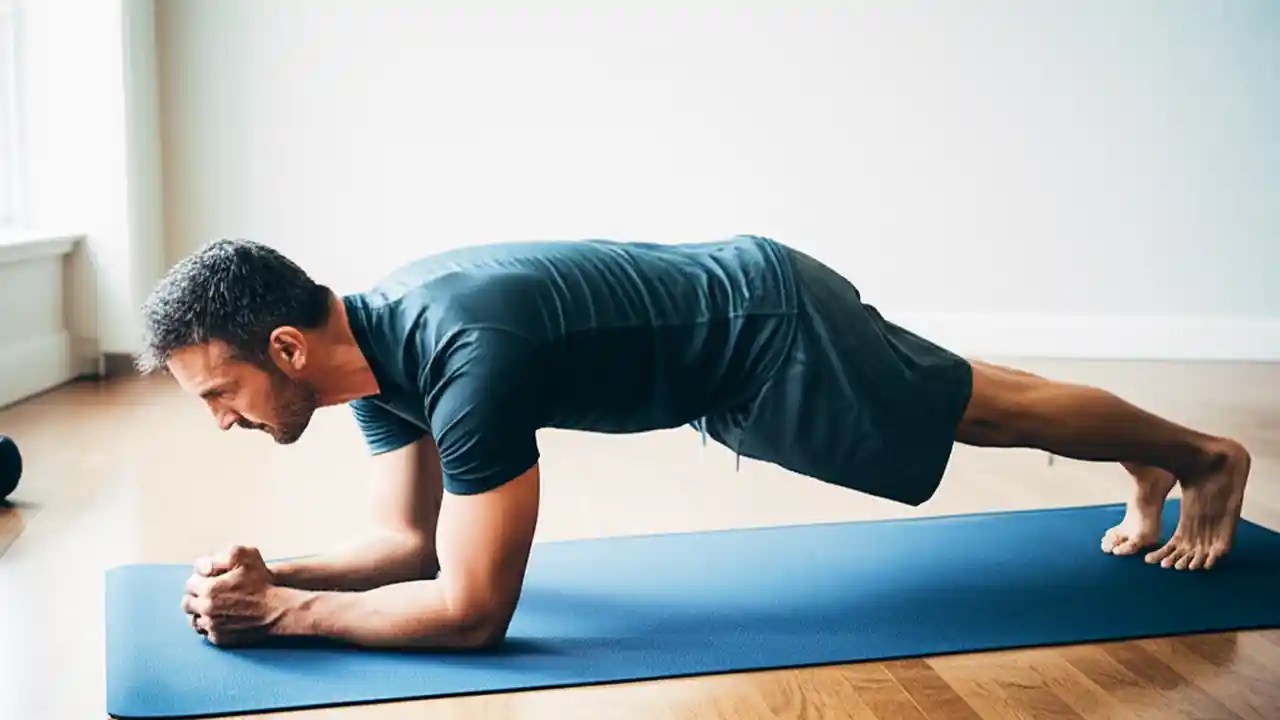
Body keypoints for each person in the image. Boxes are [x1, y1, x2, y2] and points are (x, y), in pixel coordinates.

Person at [138, 235, 1251, 649]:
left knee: (979, 409)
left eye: (218, 392)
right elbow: (407, 548)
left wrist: (286, 616)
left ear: (286, 347)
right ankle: (1150, 454)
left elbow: (474, 612)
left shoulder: (462, 362)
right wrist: (275, 574)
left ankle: (1204, 460)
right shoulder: (377, 358)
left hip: (764, 336)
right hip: (740, 321)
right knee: (976, 397)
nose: (221, 419)